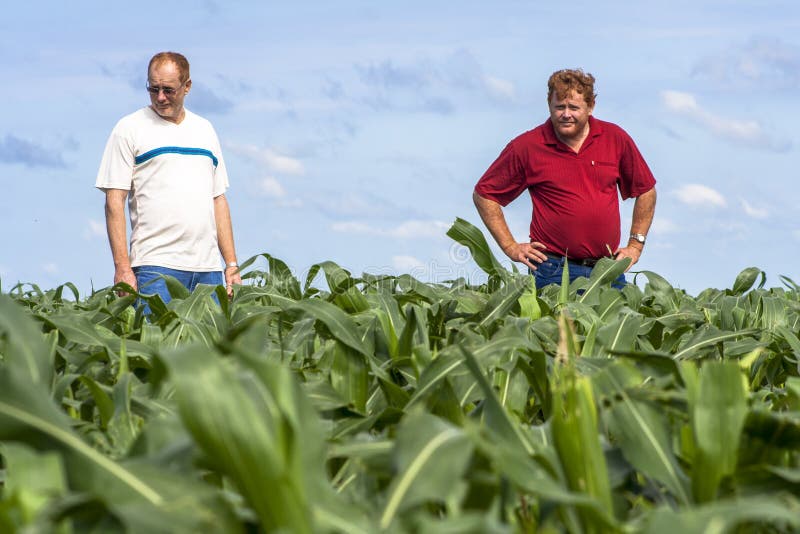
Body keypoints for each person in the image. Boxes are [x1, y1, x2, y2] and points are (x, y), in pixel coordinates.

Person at [473, 68, 657, 288]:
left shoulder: (615, 138)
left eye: (574, 107)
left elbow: (646, 190)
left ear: (590, 107)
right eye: (559, 107)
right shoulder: (527, 146)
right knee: (552, 324)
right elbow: (485, 195)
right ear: (549, 106)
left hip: (607, 269)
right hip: (552, 270)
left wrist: (635, 245)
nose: (566, 114)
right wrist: (510, 246)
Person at [96, 51, 241, 307]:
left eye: (168, 90)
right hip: (154, 267)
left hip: (208, 270)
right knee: (153, 344)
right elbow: (114, 201)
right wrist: (122, 268)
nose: (160, 97)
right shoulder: (129, 128)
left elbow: (218, 199)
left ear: (187, 87)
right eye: (153, 89)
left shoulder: (205, 130)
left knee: (211, 347)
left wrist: (231, 265)